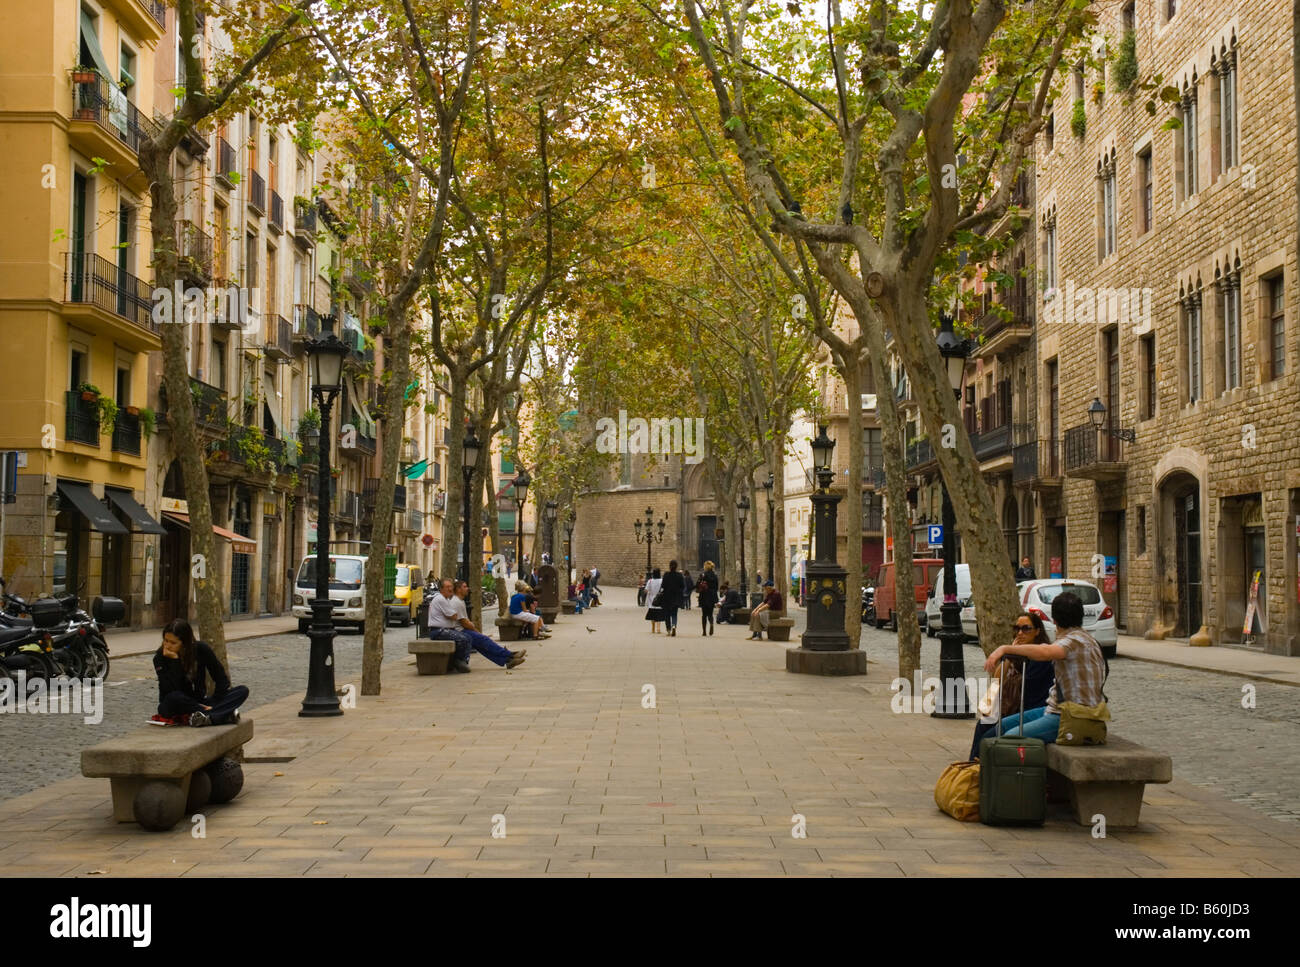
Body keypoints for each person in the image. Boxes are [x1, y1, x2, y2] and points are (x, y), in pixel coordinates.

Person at [982, 591, 1106, 743]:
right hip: (1058, 709)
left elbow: (1045, 651)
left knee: (1010, 737)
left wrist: (1005, 649)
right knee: (999, 727)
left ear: (1054, 620)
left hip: (1072, 716)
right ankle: (976, 765)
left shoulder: (1073, 641)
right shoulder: (1085, 638)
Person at [969, 611, 1055, 759]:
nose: (1020, 633)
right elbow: (997, 681)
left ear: (1037, 631)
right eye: (1017, 629)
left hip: (1029, 707)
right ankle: (973, 766)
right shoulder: (1016, 654)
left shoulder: (1040, 655)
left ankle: (979, 766)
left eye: (1026, 628)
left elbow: (1026, 687)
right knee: (983, 724)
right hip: (1013, 706)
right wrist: (1010, 654)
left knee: (990, 735)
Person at [153, 618, 249, 726]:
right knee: (174, 697)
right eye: (165, 640)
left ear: (185, 643)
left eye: (173, 642)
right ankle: (219, 715)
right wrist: (174, 661)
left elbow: (221, 679)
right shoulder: (160, 658)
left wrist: (216, 700)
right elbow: (171, 689)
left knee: (242, 691)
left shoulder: (201, 649)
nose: (167, 646)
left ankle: (208, 716)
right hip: (175, 705)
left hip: (201, 701)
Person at [659, 560, 686, 637]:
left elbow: (663, 586)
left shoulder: (666, 575)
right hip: (676, 597)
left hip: (667, 597)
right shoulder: (679, 575)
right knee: (674, 613)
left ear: (669, 566)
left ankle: (668, 629)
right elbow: (683, 586)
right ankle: (674, 625)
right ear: (676, 566)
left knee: (667, 614)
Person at [696, 561, 720, 636]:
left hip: (704, 595)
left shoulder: (703, 575)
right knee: (710, 613)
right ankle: (711, 623)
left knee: (704, 614)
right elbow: (716, 587)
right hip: (712, 596)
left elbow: (697, 584)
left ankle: (704, 631)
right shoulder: (715, 575)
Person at [644, 568, 664, 633]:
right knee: (659, 615)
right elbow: (663, 589)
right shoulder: (662, 580)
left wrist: (650, 592)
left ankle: (653, 628)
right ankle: (658, 628)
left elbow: (646, 590)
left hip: (651, 600)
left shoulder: (650, 581)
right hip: (659, 600)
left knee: (652, 615)